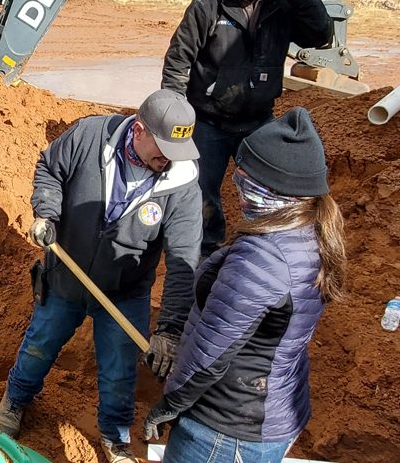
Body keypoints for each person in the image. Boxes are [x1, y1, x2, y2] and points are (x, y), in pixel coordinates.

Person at [0, 89, 204, 463]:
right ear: (139, 130)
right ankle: (16, 400)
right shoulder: (89, 136)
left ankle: (115, 438)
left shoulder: (182, 183)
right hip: (66, 277)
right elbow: (50, 169)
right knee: (40, 345)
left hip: (126, 291)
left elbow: (184, 261)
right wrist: (47, 213)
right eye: (164, 150)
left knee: (119, 372)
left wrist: (170, 330)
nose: (169, 160)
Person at [143, 107, 347, 463]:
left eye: (246, 180)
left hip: (224, 429)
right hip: (271, 410)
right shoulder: (309, 232)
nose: (238, 190)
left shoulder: (261, 259)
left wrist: (170, 403)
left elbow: (211, 355)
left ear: (272, 188)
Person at [161, 0, 332, 259]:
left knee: (269, 189)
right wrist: (173, 114)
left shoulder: (282, 5)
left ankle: (262, 251)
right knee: (200, 193)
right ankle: (205, 256)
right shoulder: (209, 5)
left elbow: (321, 36)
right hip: (208, 121)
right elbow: (178, 61)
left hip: (257, 121)